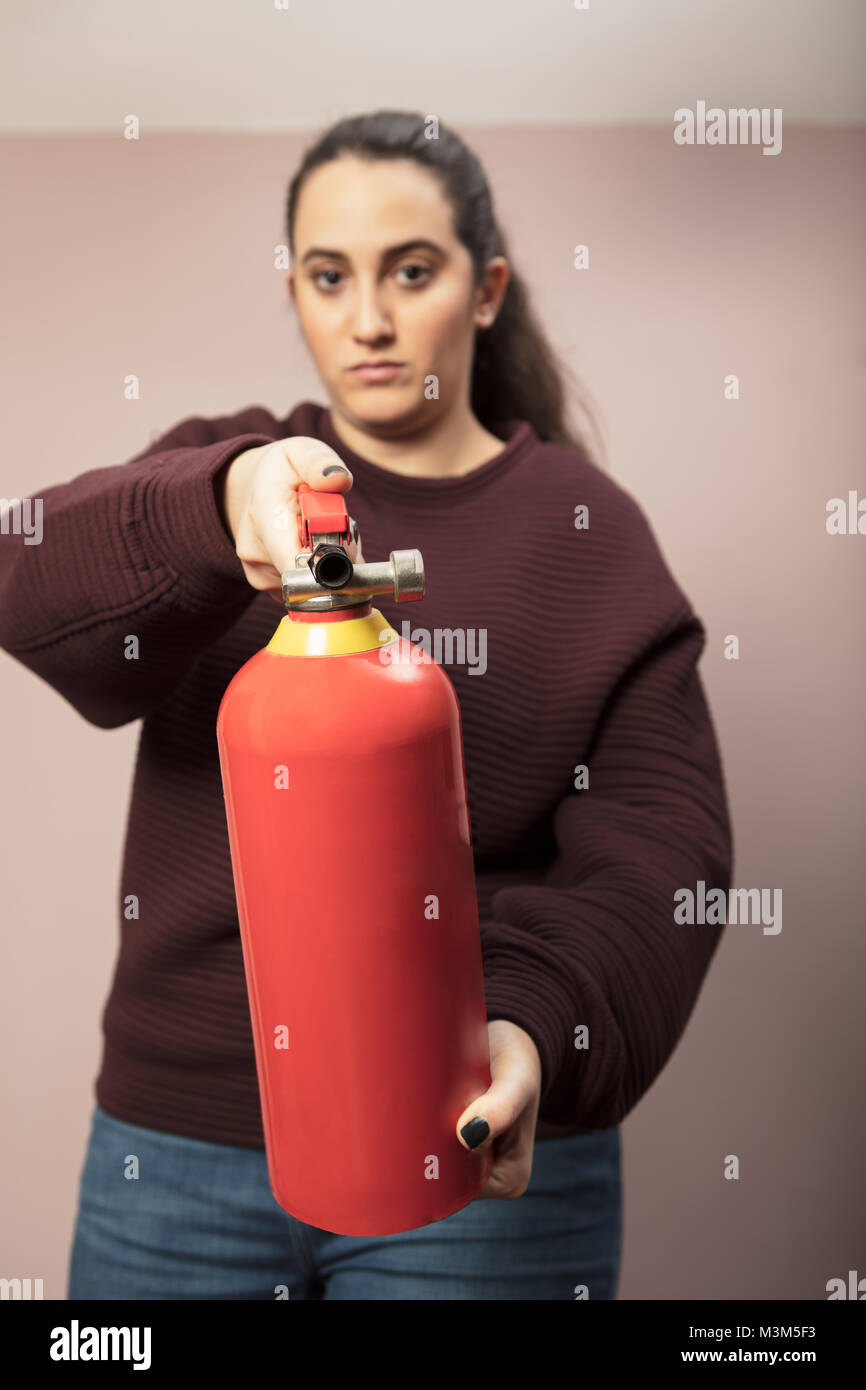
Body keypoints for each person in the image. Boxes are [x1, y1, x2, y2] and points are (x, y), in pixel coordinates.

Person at [0, 109, 733, 1300]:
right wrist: (217, 507)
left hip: (467, 1143)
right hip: (177, 1150)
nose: (371, 320)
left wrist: (537, 1028)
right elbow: (24, 586)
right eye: (328, 277)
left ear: (485, 289)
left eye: (412, 270)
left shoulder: (585, 533)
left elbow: (663, 851)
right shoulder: (227, 471)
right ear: (293, 291)